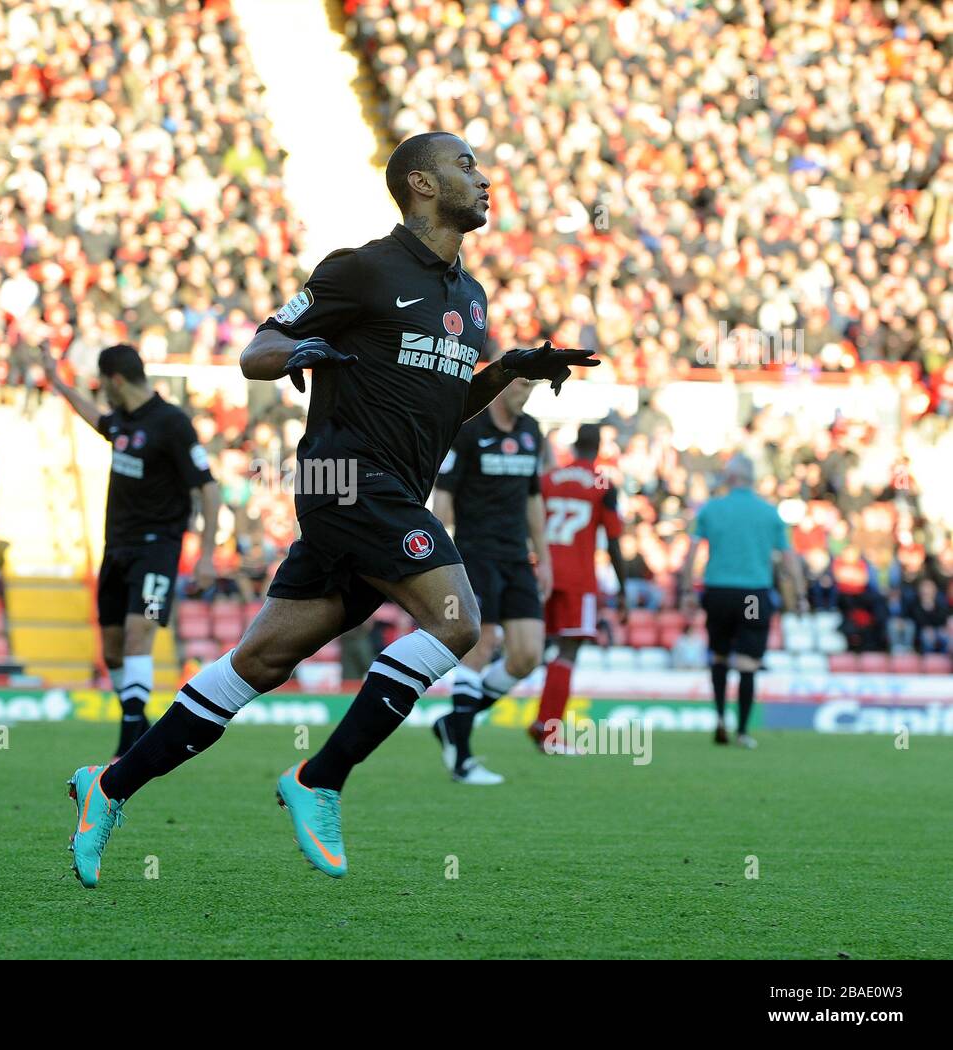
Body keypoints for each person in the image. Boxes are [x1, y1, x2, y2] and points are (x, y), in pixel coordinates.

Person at [64, 131, 598, 886]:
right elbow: (258, 349)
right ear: (419, 183)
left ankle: (109, 785)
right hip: (344, 480)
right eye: (466, 166)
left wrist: (509, 368)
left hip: (383, 494)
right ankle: (321, 778)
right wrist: (299, 352)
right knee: (458, 622)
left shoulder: (469, 299)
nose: (483, 179)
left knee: (259, 660)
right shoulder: (362, 270)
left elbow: (445, 411)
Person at [43, 342, 220, 762]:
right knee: (112, 648)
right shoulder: (122, 421)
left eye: (102, 383)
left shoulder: (172, 423)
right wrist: (59, 385)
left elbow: (208, 489)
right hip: (116, 548)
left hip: (157, 547)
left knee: (139, 633)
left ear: (115, 379)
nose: (101, 390)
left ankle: (127, 741)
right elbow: (97, 419)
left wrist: (208, 555)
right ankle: (139, 726)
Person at [430, 376, 550, 784]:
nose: (526, 394)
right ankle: (462, 758)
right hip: (474, 555)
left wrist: (544, 559)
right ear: (500, 385)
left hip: (517, 557)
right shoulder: (467, 430)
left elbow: (534, 498)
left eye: (532, 388)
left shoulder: (532, 431)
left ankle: (453, 724)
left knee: (527, 656)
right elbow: (443, 499)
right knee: (479, 651)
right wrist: (439, 558)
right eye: (521, 386)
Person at [678, 453, 807, 748]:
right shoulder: (769, 513)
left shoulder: (711, 510)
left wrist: (686, 590)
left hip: (719, 592)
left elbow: (692, 552)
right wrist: (800, 596)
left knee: (720, 655)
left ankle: (721, 717)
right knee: (748, 662)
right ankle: (743, 731)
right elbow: (789, 558)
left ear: (732, 477)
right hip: (752, 594)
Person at [532, 423, 628, 753]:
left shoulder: (548, 479)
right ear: (599, 447)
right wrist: (623, 590)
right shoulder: (604, 484)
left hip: (543, 574)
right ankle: (549, 727)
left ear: (574, 445)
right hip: (578, 581)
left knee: (532, 648)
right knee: (569, 652)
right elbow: (614, 541)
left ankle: (537, 718)